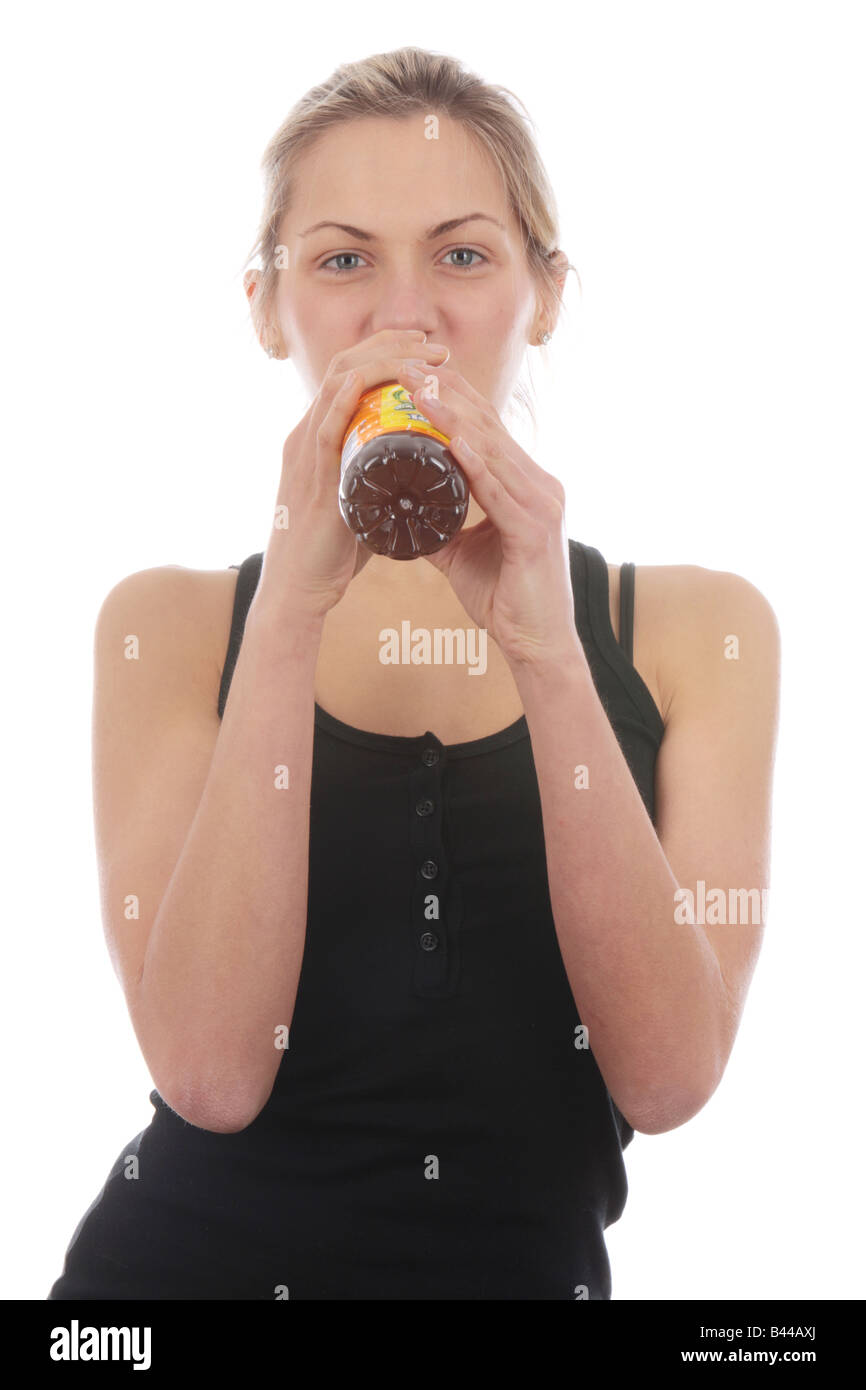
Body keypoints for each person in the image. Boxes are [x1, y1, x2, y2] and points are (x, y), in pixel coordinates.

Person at [47, 45, 780, 1301]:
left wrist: (546, 646)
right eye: (341, 259)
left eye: (461, 253)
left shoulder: (691, 631)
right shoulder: (166, 628)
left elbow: (665, 1079)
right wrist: (287, 610)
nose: (403, 316)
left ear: (541, 293)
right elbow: (212, 1077)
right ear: (268, 305)